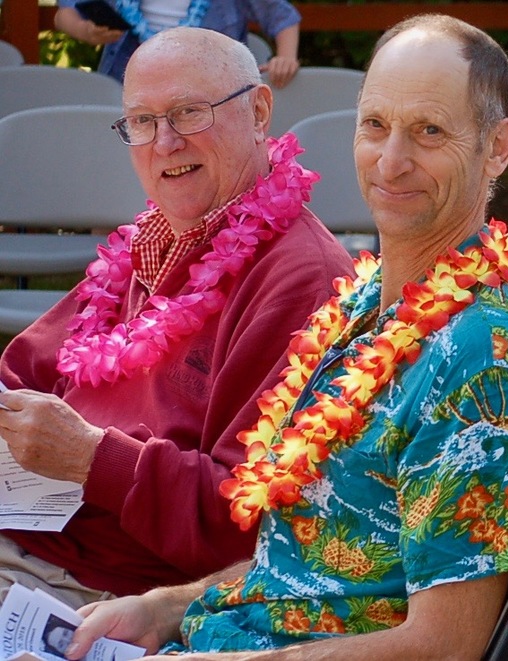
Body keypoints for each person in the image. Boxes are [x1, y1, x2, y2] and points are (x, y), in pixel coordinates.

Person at [64, 14, 508, 660]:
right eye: (375, 125)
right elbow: (301, 567)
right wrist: (161, 608)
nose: (391, 161)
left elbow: (447, 645)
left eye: (429, 131)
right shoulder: (364, 311)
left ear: (499, 146)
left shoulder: (479, 357)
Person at [0, 28, 353, 609]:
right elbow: (27, 371)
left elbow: (249, 522)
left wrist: (92, 457)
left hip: (104, 589)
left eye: (190, 113)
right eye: (141, 121)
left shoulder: (303, 281)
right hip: (29, 534)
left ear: (259, 110)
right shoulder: (149, 238)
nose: (164, 143)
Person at [53, 0, 301, 87]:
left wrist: (286, 58)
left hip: (214, 89)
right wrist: (85, 30)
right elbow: (64, 13)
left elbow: (282, 17)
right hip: (129, 88)